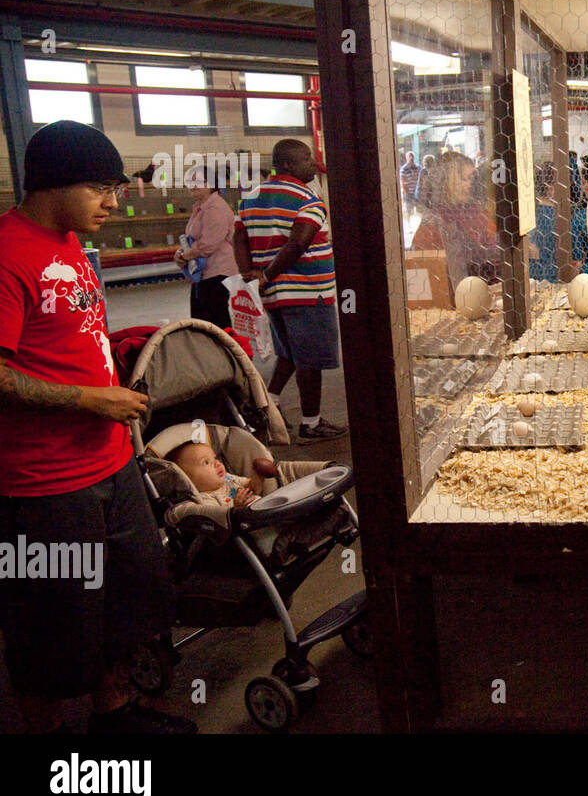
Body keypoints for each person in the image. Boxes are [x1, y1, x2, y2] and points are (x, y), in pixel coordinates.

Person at [0, 120, 194, 734]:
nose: (115, 202)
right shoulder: (7, 253)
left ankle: (114, 715)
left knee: (121, 605)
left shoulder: (68, 242)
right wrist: (90, 400)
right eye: (101, 188)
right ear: (54, 185)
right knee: (49, 627)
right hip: (43, 484)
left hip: (110, 464)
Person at [234, 139, 347, 443]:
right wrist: (267, 274)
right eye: (306, 159)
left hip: (272, 295)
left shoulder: (251, 197)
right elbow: (299, 242)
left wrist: (251, 275)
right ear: (287, 165)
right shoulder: (308, 199)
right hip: (308, 291)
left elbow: (240, 238)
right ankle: (311, 423)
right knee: (310, 361)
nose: (312, 163)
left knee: (289, 353)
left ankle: (269, 403)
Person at [420, 150, 499, 286]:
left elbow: (491, 245)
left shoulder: (474, 210)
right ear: (448, 182)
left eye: (471, 178)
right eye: (464, 179)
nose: (469, 185)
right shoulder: (436, 220)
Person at [174, 175, 237, 330]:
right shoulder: (201, 206)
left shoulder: (216, 208)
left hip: (218, 272)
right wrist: (181, 253)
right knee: (201, 319)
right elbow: (192, 238)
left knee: (216, 321)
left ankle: (225, 353)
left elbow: (208, 244)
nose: (193, 185)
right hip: (203, 273)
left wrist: (185, 256)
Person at [167, 441, 262, 515]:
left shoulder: (228, 478)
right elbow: (223, 521)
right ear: (187, 480)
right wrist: (236, 508)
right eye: (206, 462)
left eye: (215, 458)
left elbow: (252, 488)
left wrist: (258, 476)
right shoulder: (204, 502)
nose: (217, 463)